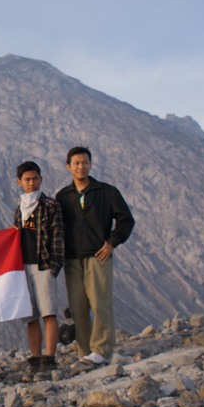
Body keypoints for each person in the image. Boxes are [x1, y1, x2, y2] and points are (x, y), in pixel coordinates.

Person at [55, 146, 135, 371]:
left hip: (98, 256)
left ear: (90, 165)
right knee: (78, 307)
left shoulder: (107, 192)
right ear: (68, 167)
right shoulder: (63, 196)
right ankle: (85, 353)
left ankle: (101, 350)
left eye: (85, 162)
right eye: (76, 163)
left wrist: (112, 243)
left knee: (100, 303)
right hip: (72, 259)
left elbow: (126, 220)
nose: (81, 167)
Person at [13, 162, 64, 382]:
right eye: (27, 179)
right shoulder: (20, 209)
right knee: (31, 315)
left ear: (41, 179)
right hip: (23, 267)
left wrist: (54, 266)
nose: (31, 183)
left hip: (43, 265)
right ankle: (35, 358)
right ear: (20, 182)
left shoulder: (51, 206)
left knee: (48, 312)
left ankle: (49, 357)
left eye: (35, 178)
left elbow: (58, 236)